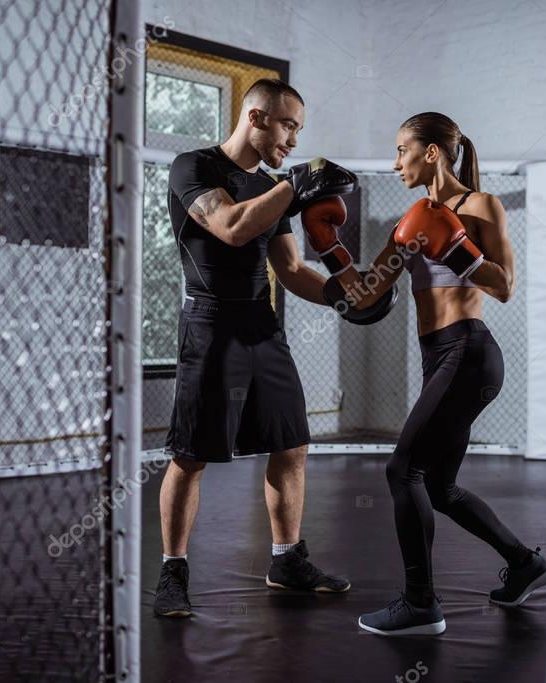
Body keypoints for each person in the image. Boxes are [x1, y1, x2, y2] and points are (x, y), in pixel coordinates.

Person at [332, 112, 546, 636]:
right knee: (438, 486)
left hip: (470, 351)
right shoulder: (410, 219)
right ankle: (524, 562)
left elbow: (504, 286)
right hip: (440, 356)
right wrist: (327, 242)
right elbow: (367, 290)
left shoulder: (481, 205)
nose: (395, 163)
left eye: (401, 150)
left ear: (431, 152)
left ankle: (419, 604)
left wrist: (456, 248)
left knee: (400, 470)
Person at [153, 78, 361, 617]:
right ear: (255, 116)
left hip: (261, 323)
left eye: (298, 130)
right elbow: (230, 227)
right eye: (288, 124)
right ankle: (173, 571)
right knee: (191, 455)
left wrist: (346, 296)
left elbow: (290, 270)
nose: (293, 138)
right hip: (208, 321)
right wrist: (294, 184)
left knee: (291, 444)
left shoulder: (274, 186)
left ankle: (287, 559)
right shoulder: (193, 167)